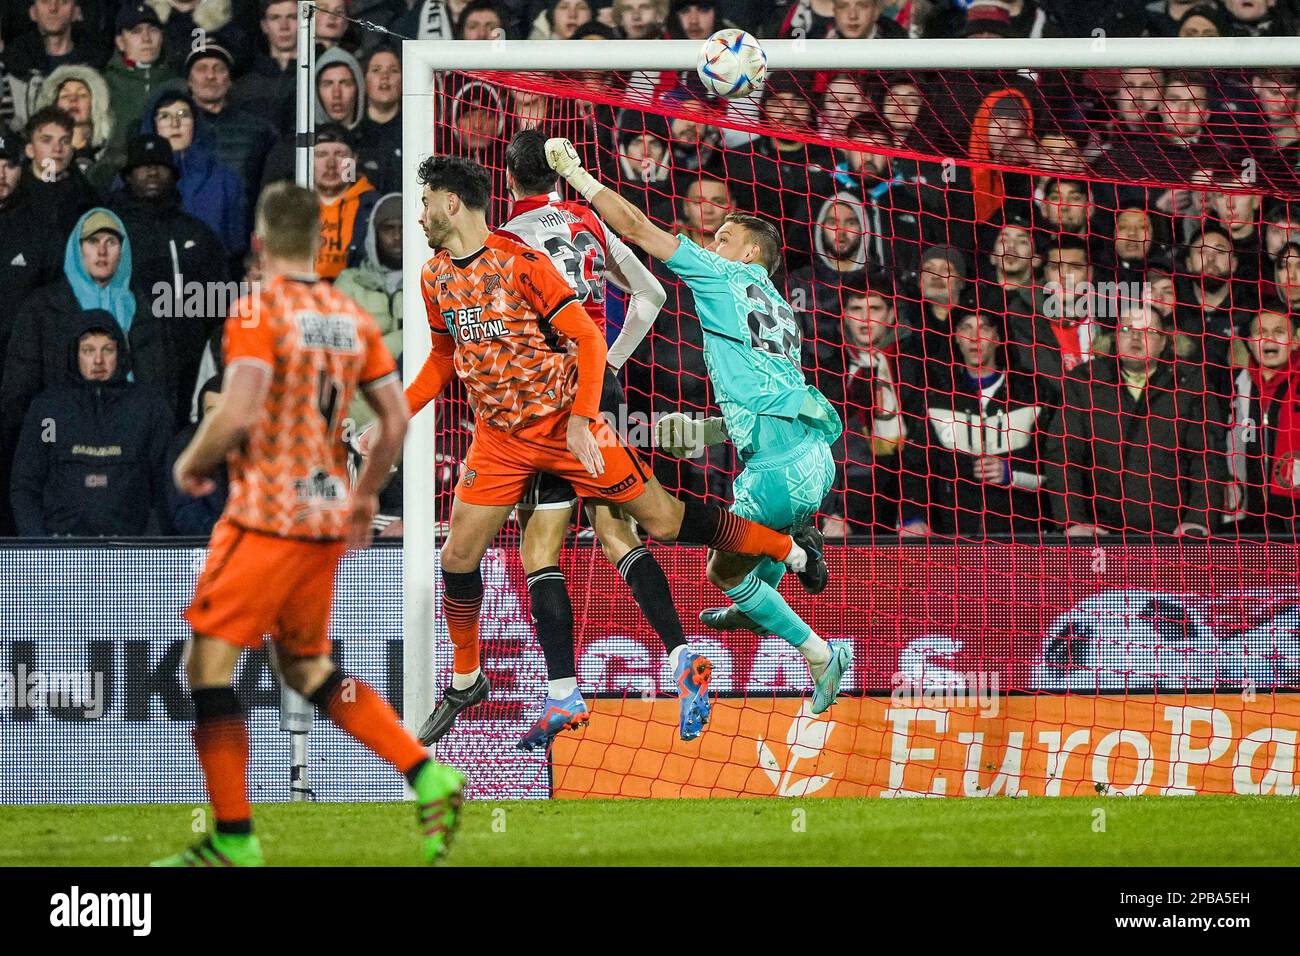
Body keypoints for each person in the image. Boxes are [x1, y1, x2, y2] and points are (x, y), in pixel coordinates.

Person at [406, 155, 827, 743]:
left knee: (638, 526)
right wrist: (395, 416)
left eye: (425, 201)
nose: (418, 214)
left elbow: (583, 328)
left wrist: (584, 413)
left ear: (472, 196)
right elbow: (647, 294)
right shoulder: (458, 268)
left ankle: (778, 560)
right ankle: (501, 680)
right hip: (512, 433)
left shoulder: (519, 252)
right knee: (505, 551)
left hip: (569, 412)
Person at [154, 182, 465, 867]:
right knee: (304, 665)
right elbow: (390, 417)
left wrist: (191, 463)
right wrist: (363, 497)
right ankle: (427, 773)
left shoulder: (260, 309)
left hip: (267, 516)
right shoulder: (349, 315)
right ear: (318, 242)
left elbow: (236, 411)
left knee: (205, 664)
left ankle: (234, 839)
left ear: (261, 245)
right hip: (326, 512)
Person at [544, 138, 851, 713]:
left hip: (776, 471)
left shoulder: (725, 276)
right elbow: (765, 388)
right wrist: (709, 431)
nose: (712, 242)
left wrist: (579, 178)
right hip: (813, 455)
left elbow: (637, 227)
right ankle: (768, 578)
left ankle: (816, 651)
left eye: (724, 238)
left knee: (721, 567)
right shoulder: (778, 304)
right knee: (743, 562)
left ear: (751, 255)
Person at [460, 128, 680, 751]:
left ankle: (564, 691)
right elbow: (651, 296)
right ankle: (681, 655)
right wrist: (609, 364)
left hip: (549, 400)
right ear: (558, 176)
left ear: (507, 181)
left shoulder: (504, 242)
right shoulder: (586, 218)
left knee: (539, 547)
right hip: (599, 386)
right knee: (617, 532)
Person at [1043, 303, 1224, 537]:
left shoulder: (1190, 384)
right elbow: (1063, 455)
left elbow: (1206, 457)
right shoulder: (1084, 381)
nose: (1136, 337)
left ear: (1164, 342)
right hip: (1099, 534)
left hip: (1171, 535)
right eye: (1127, 330)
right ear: (1115, 337)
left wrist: (1198, 519)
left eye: (1148, 331)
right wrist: (1072, 520)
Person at [897, 307, 1056, 539]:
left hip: (1024, 535)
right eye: (966, 328)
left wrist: (1012, 474)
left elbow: (1058, 465)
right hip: (953, 536)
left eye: (984, 328)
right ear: (956, 338)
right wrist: (912, 517)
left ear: (998, 338)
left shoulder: (1034, 392)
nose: (974, 337)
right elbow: (915, 467)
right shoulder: (936, 398)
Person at [11, 313, 173, 536]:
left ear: (121, 353)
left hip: (131, 551)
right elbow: (26, 484)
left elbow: (166, 485)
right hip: (60, 552)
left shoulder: (150, 408)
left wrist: (150, 544)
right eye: (88, 350)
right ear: (74, 354)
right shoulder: (49, 411)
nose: (98, 360)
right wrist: (39, 544)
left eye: (107, 349)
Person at [107, 132, 230, 417]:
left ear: (174, 175)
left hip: (190, 356)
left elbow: (220, 301)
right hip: (130, 354)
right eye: (142, 165)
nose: (151, 171)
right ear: (127, 175)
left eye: (160, 165)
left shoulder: (196, 233)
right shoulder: (112, 231)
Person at [1225, 304, 1300, 537]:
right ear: (1249, 342)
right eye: (1261, 332)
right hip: (1243, 518)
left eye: (1279, 331)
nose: (1269, 339)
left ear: (1296, 340)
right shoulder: (1230, 386)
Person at [335, 191, 402, 432]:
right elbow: (344, 351)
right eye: (388, 228)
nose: (397, 237)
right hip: (358, 418)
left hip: (419, 419)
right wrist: (403, 340)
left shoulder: (432, 278)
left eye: (403, 228)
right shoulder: (349, 283)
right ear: (373, 234)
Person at [166, 374, 227, 535]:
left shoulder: (261, 444)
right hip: (203, 545)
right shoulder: (185, 446)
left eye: (225, 413)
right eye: (212, 412)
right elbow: (184, 511)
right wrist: (220, 530)